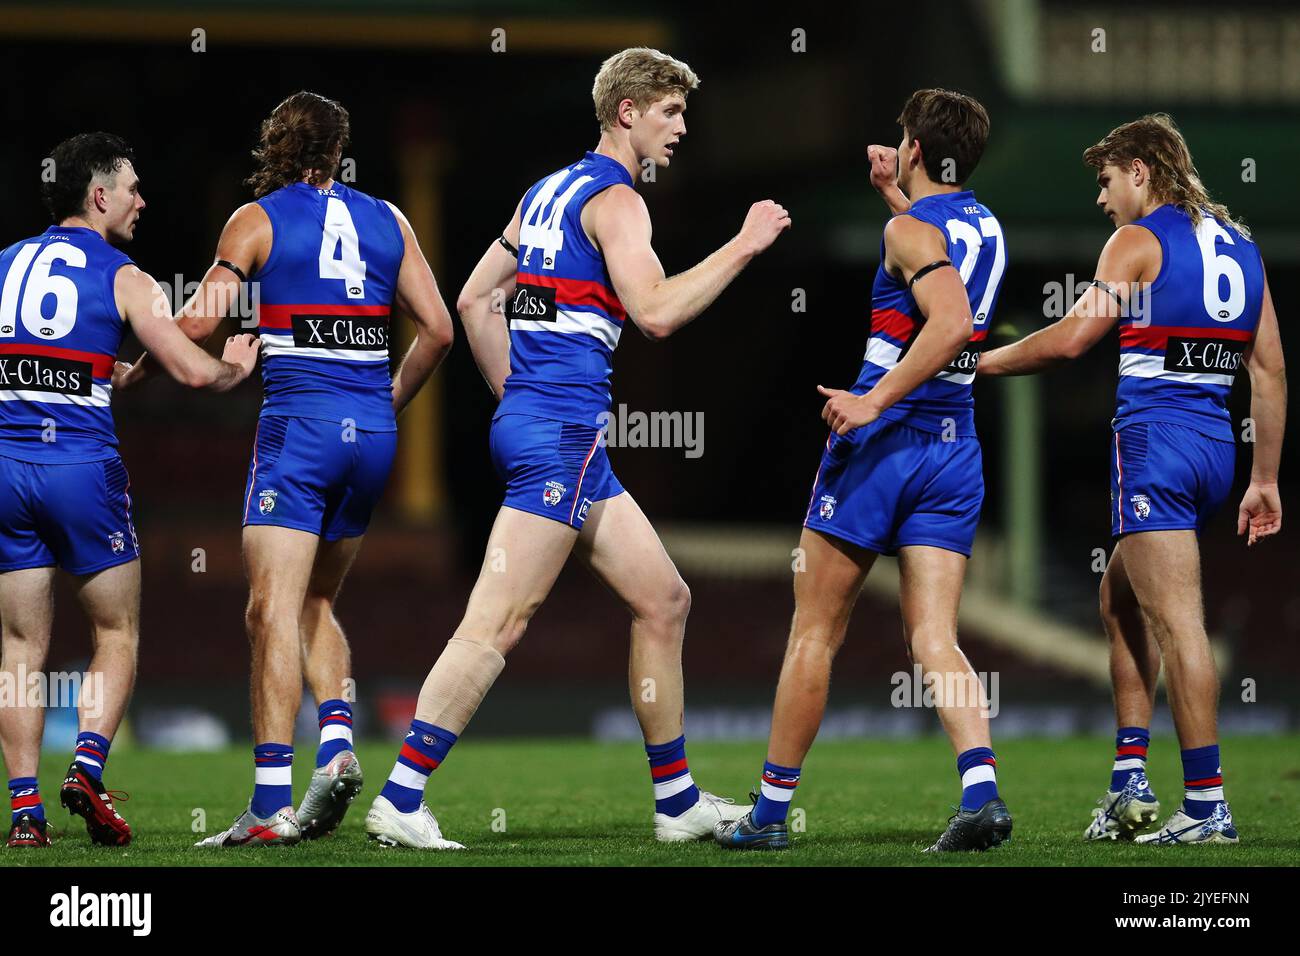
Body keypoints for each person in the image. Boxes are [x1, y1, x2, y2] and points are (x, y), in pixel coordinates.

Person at [363, 47, 791, 849]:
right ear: (628, 111)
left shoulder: (545, 191)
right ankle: (401, 794)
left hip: (552, 431)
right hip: (561, 435)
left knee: (664, 600)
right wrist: (744, 245)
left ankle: (676, 803)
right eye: (671, 111)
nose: (683, 126)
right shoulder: (621, 202)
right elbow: (657, 312)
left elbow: (474, 298)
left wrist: (511, 395)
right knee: (499, 620)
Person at [716, 89, 1013, 853]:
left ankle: (771, 816)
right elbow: (943, 280)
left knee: (814, 631)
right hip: (956, 447)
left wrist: (872, 400)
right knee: (935, 637)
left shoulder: (907, 230)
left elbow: (944, 319)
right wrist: (895, 193)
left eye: (900, 139)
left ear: (916, 149)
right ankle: (980, 790)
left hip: (886, 445)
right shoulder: (985, 225)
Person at [978, 114, 1283, 845]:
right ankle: (1130, 786)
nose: (1102, 198)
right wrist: (1263, 479)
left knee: (1179, 625)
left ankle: (1207, 805)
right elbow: (1269, 370)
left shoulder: (1136, 242)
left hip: (1155, 445)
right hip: (1215, 449)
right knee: (1117, 600)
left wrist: (977, 361)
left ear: (1141, 171)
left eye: (1107, 180)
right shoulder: (1243, 249)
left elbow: (1076, 337)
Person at [0, 132, 258, 848]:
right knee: (115, 632)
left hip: (4, 468)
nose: (143, 200)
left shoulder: (3, 265)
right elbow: (195, 373)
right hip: (80, 468)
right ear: (99, 194)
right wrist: (235, 363)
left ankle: (25, 814)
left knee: (20, 648)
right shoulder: (125, 276)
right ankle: (86, 769)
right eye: (133, 187)